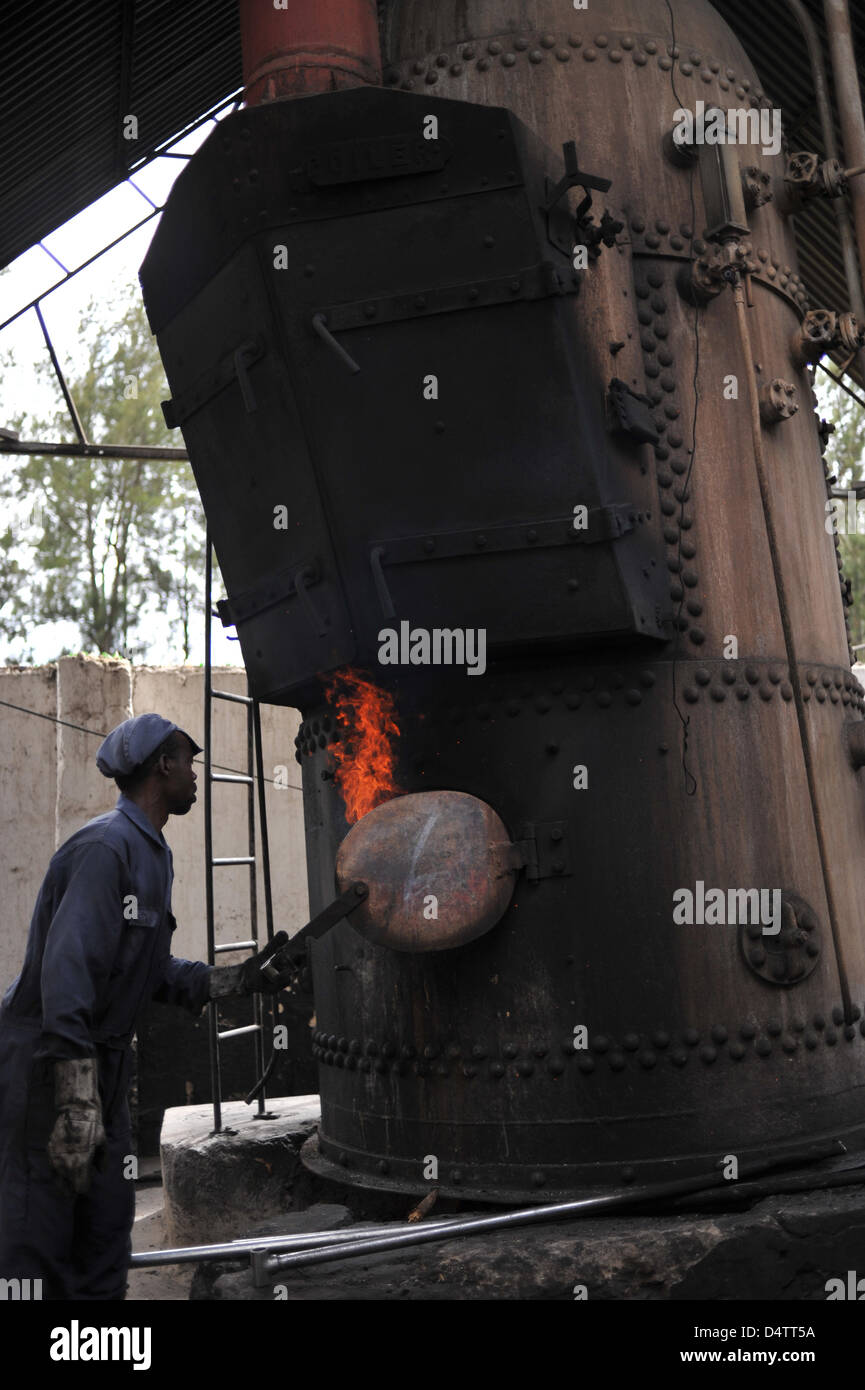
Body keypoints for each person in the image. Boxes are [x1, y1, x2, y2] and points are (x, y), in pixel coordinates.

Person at [0, 712, 293, 1300]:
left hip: (102, 1070)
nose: (195, 774)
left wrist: (241, 979)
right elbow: (68, 980)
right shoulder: (105, 850)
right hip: (53, 1068)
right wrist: (77, 1097)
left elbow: (154, 972)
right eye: (189, 761)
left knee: (106, 1233)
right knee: (37, 1241)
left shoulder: (153, 854)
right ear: (164, 763)